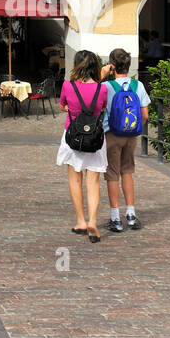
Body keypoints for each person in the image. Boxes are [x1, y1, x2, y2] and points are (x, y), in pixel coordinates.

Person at [57, 49, 109, 242]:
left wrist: (70, 108)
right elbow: (102, 108)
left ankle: (80, 221)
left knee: (75, 179)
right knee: (93, 181)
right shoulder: (102, 88)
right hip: (95, 137)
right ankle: (93, 221)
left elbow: (63, 106)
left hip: (73, 136)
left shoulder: (68, 86)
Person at [102, 48, 150, 231]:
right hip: (131, 135)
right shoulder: (139, 86)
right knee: (127, 171)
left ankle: (115, 218)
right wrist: (134, 128)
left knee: (112, 174)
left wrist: (103, 73)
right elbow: (145, 115)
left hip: (112, 134)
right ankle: (131, 214)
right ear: (129, 66)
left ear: (112, 66)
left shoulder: (107, 87)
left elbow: (91, 96)